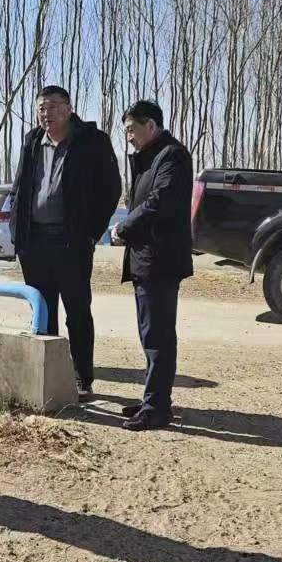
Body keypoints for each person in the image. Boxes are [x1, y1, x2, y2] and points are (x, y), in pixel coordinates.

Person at [9, 85, 122, 398]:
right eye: (41, 108)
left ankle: (83, 377)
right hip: (34, 242)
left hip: (72, 242)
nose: (46, 113)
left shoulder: (92, 141)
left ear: (69, 108)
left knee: (77, 310)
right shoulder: (33, 141)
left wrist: (91, 232)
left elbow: (111, 189)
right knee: (43, 311)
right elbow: (20, 187)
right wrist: (18, 234)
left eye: (53, 106)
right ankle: (49, 376)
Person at [110, 99, 194, 429]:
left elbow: (158, 203)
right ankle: (153, 398)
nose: (128, 136)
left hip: (160, 259)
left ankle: (157, 408)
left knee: (157, 336)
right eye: (126, 131)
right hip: (146, 259)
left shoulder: (172, 156)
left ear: (151, 125)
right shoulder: (151, 157)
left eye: (132, 129)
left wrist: (123, 227)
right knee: (150, 334)